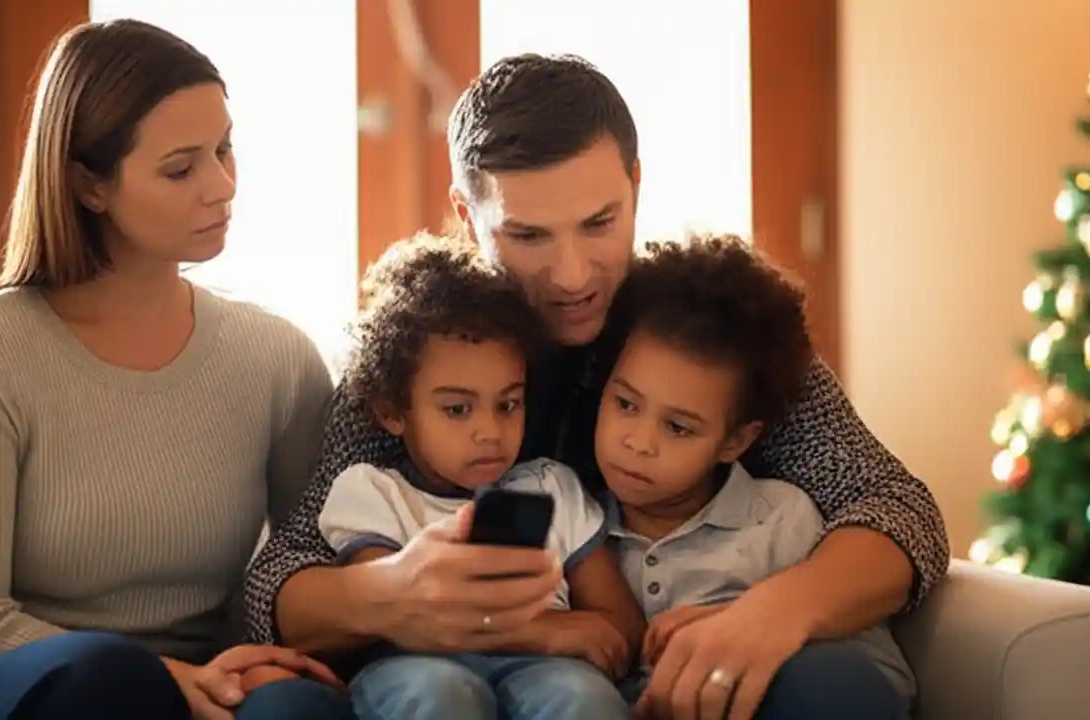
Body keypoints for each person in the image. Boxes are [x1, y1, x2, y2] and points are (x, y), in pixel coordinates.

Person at [244, 53, 948, 720]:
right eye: (528, 236)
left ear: (636, 183)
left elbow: (897, 509)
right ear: (466, 216)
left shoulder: (698, 330)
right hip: (438, 677)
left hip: (621, 675)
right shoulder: (431, 347)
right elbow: (284, 571)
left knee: (834, 684)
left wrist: (771, 614)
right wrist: (391, 593)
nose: (573, 274)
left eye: (599, 224)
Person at [0, 19, 350, 720]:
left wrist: (238, 667)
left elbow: (299, 571)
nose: (222, 185)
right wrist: (162, 676)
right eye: (181, 167)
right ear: (89, 186)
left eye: (225, 150)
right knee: (103, 678)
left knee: (298, 707)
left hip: (191, 681)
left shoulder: (276, 359)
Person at [307, 233, 643, 719]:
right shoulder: (373, 493)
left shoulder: (552, 489)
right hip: (417, 666)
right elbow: (398, 608)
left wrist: (592, 639)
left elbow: (620, 626)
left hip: (545, 670)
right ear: (391, 410)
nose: (490, 431)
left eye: (508, 403)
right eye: (458, 408)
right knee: (438, 694)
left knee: (582, 696)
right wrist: (541, 629)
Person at [598, 234, 914, 719]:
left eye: (679, 427)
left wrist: (751, 629)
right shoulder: (577, 519)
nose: (639, 442)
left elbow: (874, 682)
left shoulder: (781, 520)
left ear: (736, 442)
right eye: (625, 404)